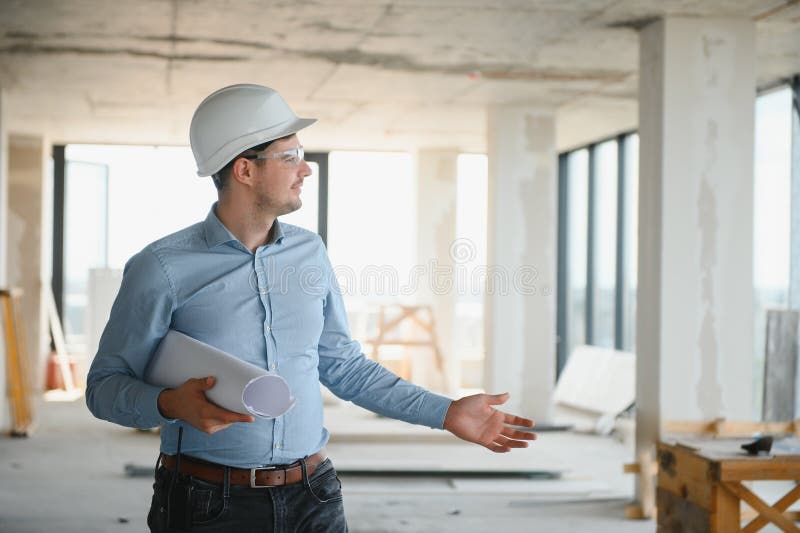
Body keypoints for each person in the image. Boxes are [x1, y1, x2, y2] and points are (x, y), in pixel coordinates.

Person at [86, 83, 537, 532]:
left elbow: (343, 366)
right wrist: (168, 403)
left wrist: (445, 411)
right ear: (244, 169)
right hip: (208, 504)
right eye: (289, 157)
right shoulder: (161, 267)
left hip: (313, 495)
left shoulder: (309, 252)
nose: (305, 170)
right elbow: (103, 388)